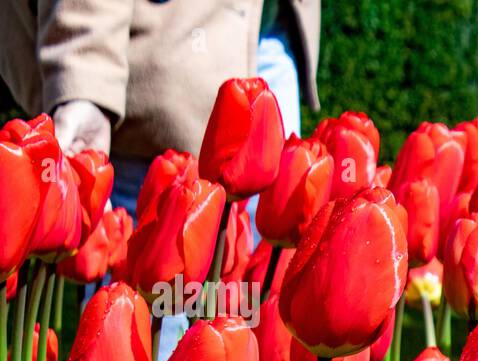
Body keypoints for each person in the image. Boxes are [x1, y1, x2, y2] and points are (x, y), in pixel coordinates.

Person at [0, 0, 321, 215]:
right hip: (145, 75)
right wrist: (85, 75)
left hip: (269, 35)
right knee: (152, 295)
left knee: (249, 296)